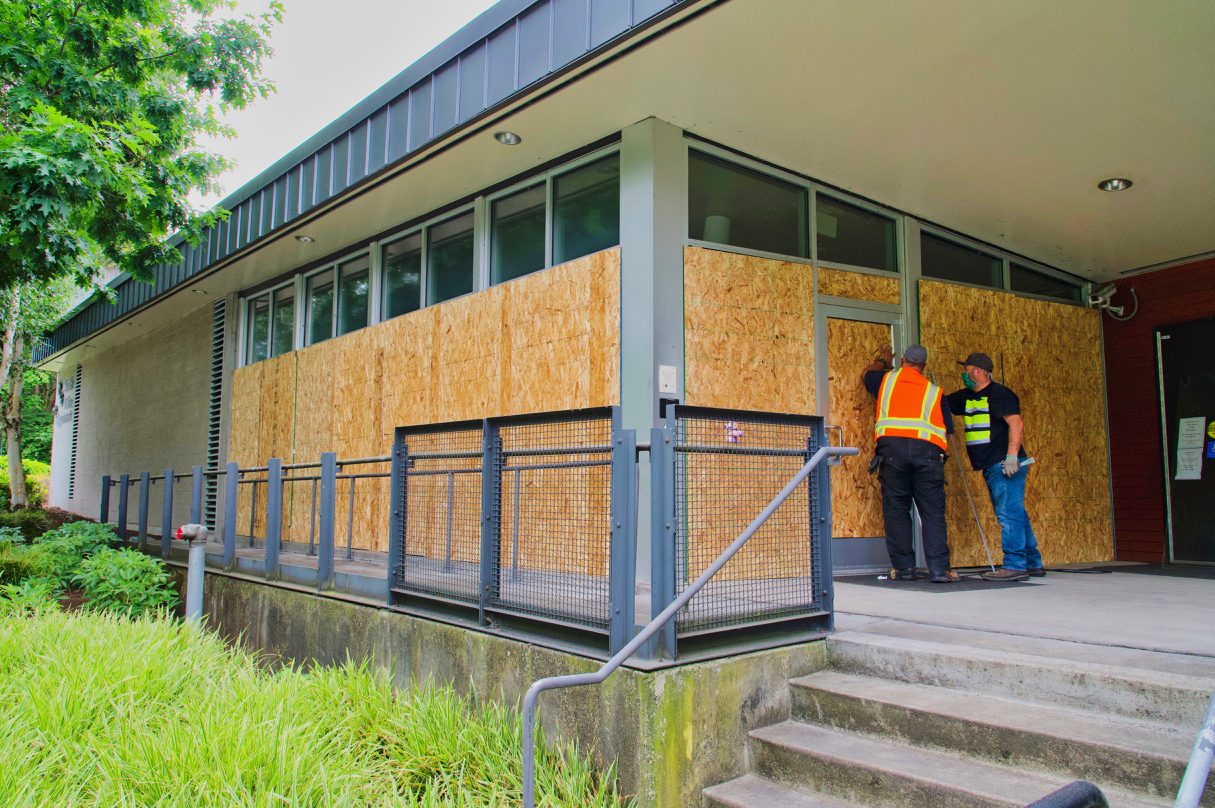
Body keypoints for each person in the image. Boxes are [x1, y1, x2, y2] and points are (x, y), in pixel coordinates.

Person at [861, 345, 957, 584]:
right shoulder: (935, 391)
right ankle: (938, 569)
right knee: (933, 513)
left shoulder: (885, 380)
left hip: (893, 455)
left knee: (897, 511)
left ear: (902, 360)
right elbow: (948, 429)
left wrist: (883, 361)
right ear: (924, 367)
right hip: (928, 455)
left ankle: (904, 569)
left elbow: (866, 373)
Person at [946, 352, 1043, 582]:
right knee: (1015, 511)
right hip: (989, 464)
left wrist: (1011, 456)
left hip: (1004, 463)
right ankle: (1032, 562)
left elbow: (1016, 424)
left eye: (967, 370)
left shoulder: (1000, 394)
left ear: (978, 372)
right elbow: (942, 402)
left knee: (1008, 514)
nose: (964, 374)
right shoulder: (966, 397)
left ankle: (1014, 565)